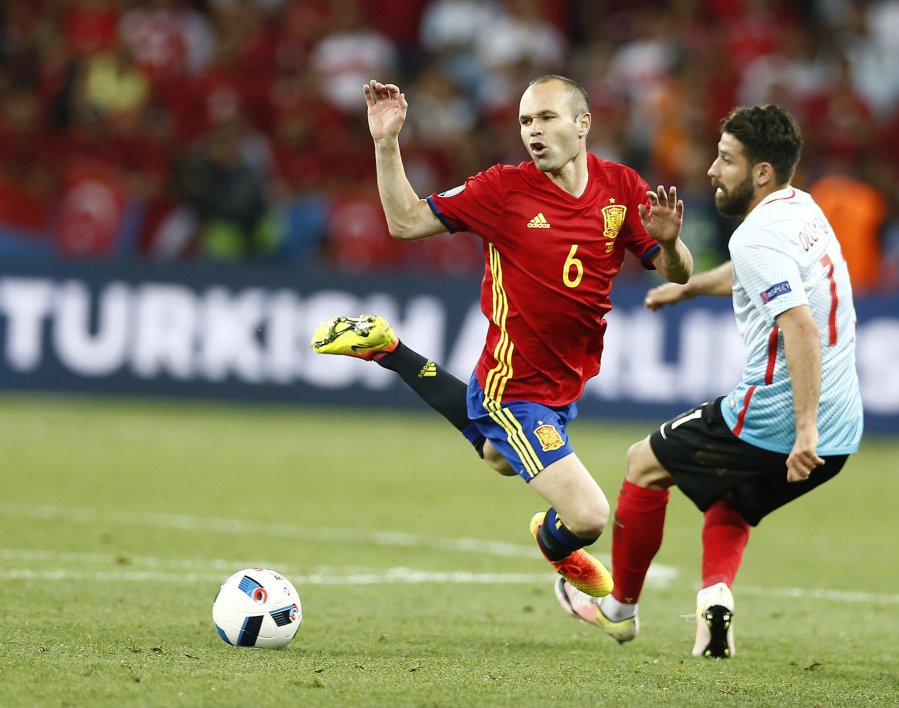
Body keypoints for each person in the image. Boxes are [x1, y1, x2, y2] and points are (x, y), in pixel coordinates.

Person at [310, 75, 693, 598]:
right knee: (588, 513)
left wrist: (670, 244)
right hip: (511, 386)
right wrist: (386, 142)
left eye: (546, 118)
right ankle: (556, 545)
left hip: (564, 377)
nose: (533, 131)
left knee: (499, 458)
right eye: (525, 122)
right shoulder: (503, 189)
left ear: (582, 125)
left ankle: (389, 349)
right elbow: (405, 222)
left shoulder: (622, 188)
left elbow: (678, 272)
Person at [554, 104, 863, 657]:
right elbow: (761, 275)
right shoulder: (803, 210)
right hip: (844, 432)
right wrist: (689, 287)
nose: (711, 172)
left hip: (781, 420)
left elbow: (800, 328)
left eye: (725, 160)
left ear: (761, 172)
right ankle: (714, 600)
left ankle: (618, 610)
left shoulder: (755, 238)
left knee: (642, 465)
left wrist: (804, 432)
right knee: (733, 502)